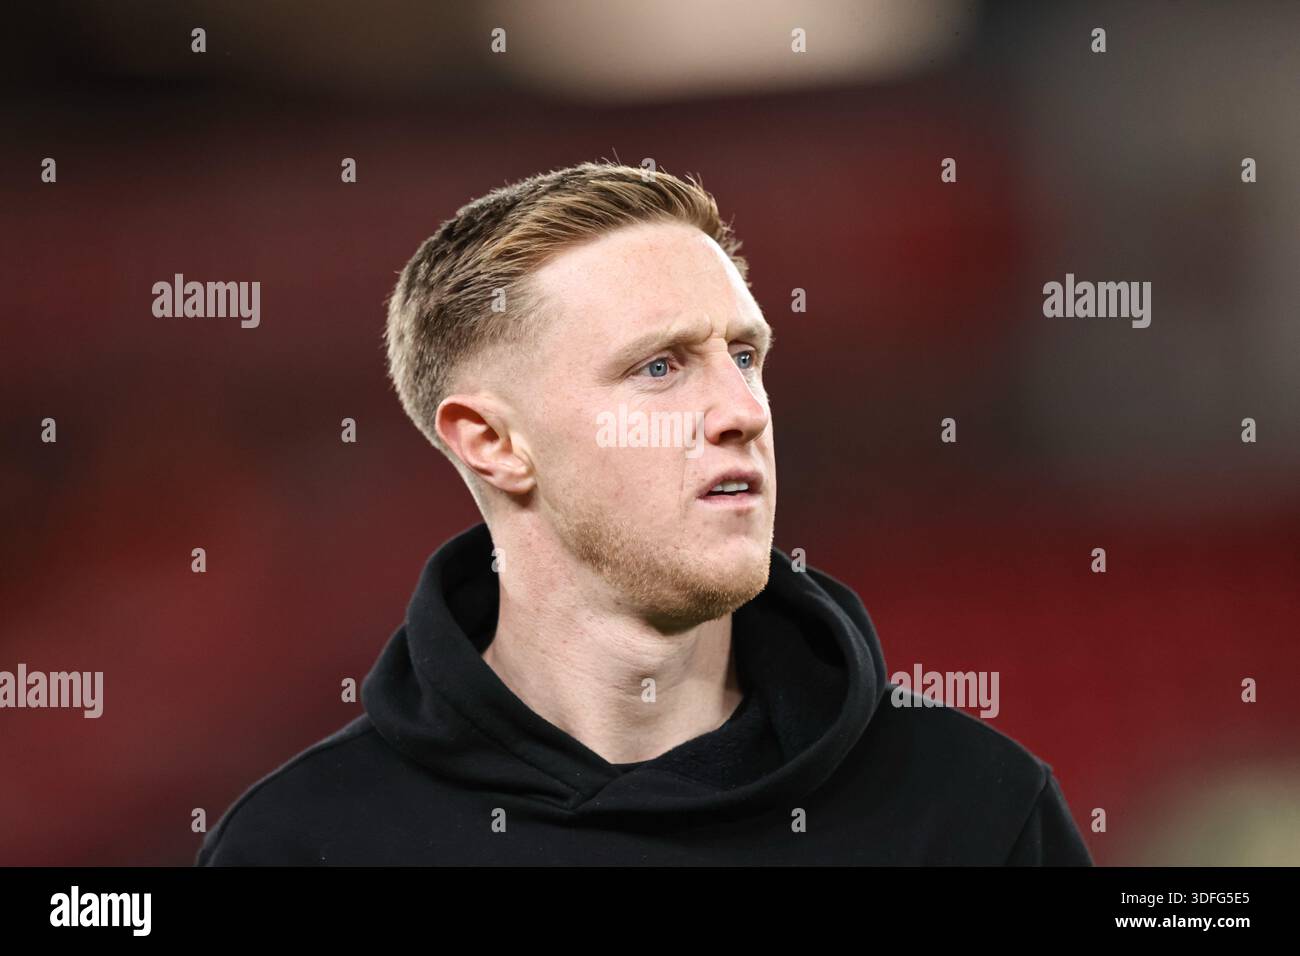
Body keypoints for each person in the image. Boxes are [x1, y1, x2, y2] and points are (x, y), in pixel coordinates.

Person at [196, 161, 1093, 865]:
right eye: (660, 367)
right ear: (492, 443)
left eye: (744, 354)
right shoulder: (302, 845)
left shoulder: (974, 812)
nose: (741, 409)